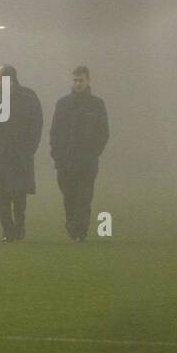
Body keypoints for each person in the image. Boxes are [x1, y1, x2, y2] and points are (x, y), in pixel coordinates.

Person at [0, 65, 42, 242]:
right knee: (1, 195)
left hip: (21, 154)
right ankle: (8, 231)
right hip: (0, 155)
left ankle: (19, 225)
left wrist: (30, 148)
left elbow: (36, 124)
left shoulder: (29, 97)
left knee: (19, 194)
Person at [49, 66, 110, 241]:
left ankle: (81, 231)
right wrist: (56, 154)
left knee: (84, 196)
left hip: (87, 161)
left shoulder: (97, 104)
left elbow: (103, 133)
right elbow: (55, 132)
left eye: (80, 80)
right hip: (65, 161)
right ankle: (71, 226)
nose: (77, 84)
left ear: (88, 81)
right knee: (69, 197)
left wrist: (94, 152)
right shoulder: (63, 104)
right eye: (75, 80)